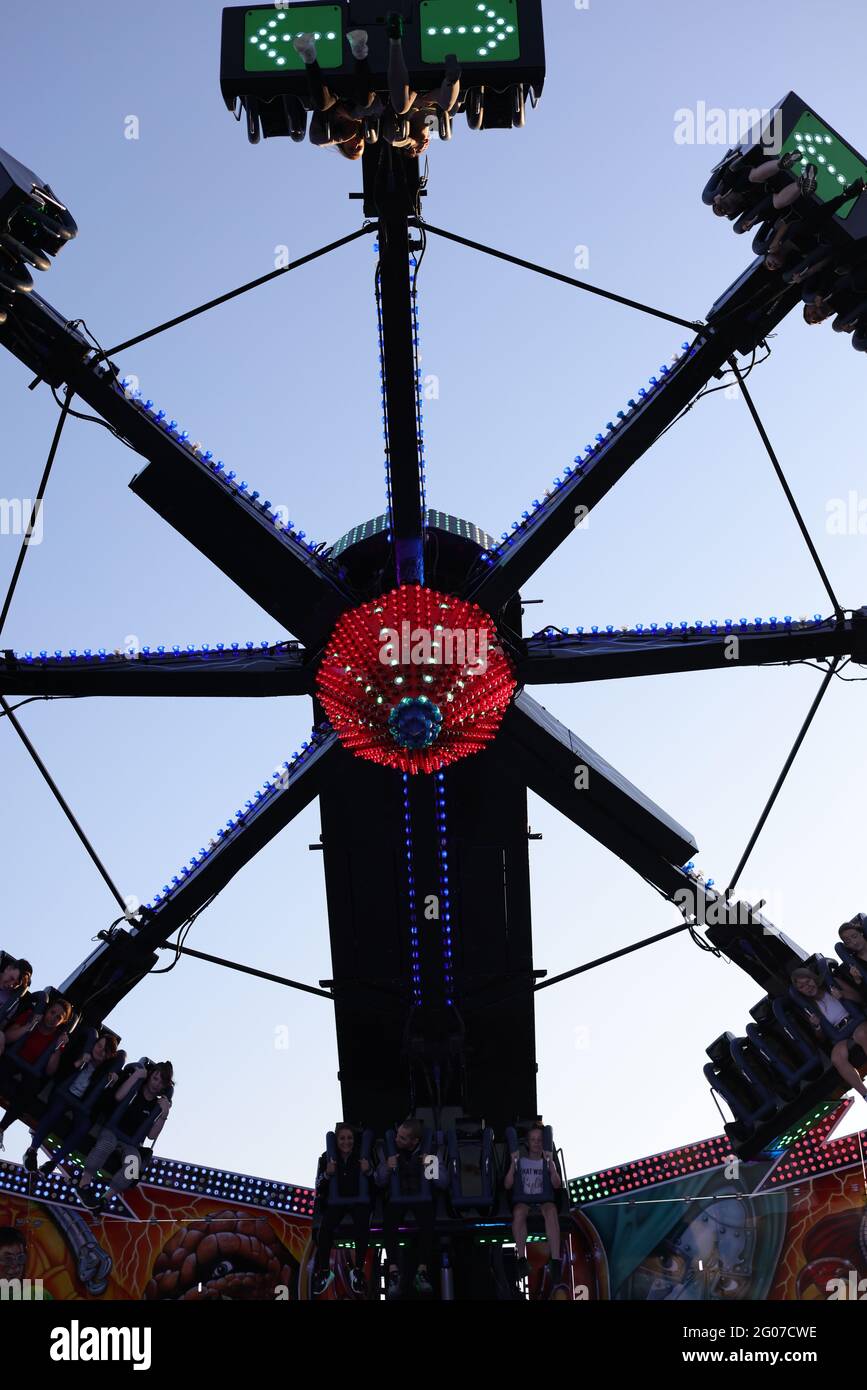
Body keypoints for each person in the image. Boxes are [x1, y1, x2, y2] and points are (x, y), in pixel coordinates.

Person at [77, 1060, 173, 1210]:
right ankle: (83, 1185)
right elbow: (119, 1096)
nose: (156, 1084)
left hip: (130, 1143)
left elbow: (152, 1136)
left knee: (134, 1164)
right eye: (155, 1078)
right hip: (113, 1131)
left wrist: (163, 1114)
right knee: (106, 1144)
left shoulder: (156, 1105)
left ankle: (104, 1199)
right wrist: (135, 1077)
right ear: (149, 1076)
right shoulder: (136, 1088)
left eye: (161, 1082)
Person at [21, 1031, 120, 1174]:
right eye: (99, 1045)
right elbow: (60, 1072)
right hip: (64, 1094)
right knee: (55, 1112)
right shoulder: (81, 1052)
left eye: (105, 1050)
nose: (100, 1051)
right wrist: (79, 1062)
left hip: (82, 1105)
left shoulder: (106, 1074)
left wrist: (109, 1085)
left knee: (83, 1127)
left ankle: (53, 1163)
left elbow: (102, 1105)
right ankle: (32, 1151)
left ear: (109, 1056)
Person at [375, 1116, 440, 1299]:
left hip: (421, 1196)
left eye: (402, 1138)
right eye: (398, 1135)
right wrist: (387, 1168)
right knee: (389, 1222)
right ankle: (394, 1272)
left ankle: (422, 1271)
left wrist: (431, 1165)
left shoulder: (429, 1150)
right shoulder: (389, 1148)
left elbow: (443, 1182)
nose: (397, 1140)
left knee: (428, 1222)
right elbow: (379, 1181)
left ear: (414, 1141)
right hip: (398, 1197)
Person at [382, 11, 460, 159]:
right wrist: (428, 98)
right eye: (423, 148)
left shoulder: (405, 120)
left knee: (401, 106)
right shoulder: (434, 127)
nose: (423, 146)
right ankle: (453, 75)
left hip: (410, 81)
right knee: (448, 107)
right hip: (438, 82)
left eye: (418, 149)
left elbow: (391, 138)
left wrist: (412, 143)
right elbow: (452, 105)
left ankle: (395, 39)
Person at [293, 29, 379, 161]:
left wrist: (343, 136)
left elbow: (315, 140)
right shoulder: (367, 129)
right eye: (359, 148)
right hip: (355, 91)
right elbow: (378, 107)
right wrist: (353, 116)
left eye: (351, 149)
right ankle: (359, 50)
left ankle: (308, 54)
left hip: (333, 94)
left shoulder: (330, 132)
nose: (356, 145)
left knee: (322, 105)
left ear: (343, 146)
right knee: (365, 102)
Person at [0, 996, 73, 1147]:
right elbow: (7, 1037)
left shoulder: (58, 1037)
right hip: (13, 1058)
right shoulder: (30, 1016)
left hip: (32, 1070)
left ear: (62, 1022)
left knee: (31, 1090)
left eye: (58, 1017)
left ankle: (2, 1128)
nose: (53, 1018)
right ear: (47, 1010)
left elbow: (51, 1070)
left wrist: (58, 1048)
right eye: (52, 1012)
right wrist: (28, 1026)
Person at [312, 1123, 372, 1296]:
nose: (346, 1142)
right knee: (324, 1230)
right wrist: (327, 1174)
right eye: (342, 1138)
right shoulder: (326, 1157)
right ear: (336, 1140)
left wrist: (367, 1171)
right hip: (336, 1202)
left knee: (362, 1227)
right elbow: (318, 1185)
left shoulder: (363, 1155)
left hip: (358, 1201)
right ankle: (324, 1271)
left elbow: (376, 1180)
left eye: (350, 1138)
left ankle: (358, 1270)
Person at [791, 967, 867, 1100]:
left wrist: (842, 994)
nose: (807, 987)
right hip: (839, 1033)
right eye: (802, 987)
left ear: (814, 978)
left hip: (855, 1021)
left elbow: (859, 998)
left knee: (862, 1035)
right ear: (800, 992)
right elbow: (820, 1037)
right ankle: (865, 1094)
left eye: (808, 981)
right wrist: (816, 1026)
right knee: (836, 1058)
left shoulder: (832, 982)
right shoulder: (808, 1007)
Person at [505, 1124, 563, 1285]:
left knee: (551, 1210)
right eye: (533, 1139)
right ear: (528, 1143)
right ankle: (522, 1260)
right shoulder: (521, 1161)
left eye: (540, 1140)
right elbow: (507, 1185)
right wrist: (512, 1164)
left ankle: (556, 1260)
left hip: (543, 1200)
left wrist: (551, 1166)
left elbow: (557, 1184)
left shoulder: (547, 1162)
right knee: (518, 1213)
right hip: (525, 1200)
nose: (537, 1143)